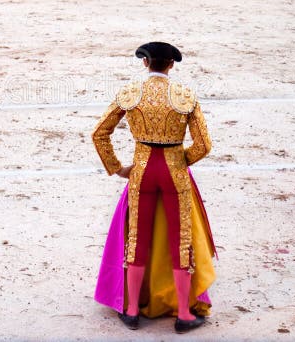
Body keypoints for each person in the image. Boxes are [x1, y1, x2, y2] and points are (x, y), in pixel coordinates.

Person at [92, 42, 216, 333]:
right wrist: (179, 160)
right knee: (180, 239)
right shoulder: (185, 95)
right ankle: (184, 314)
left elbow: (99, 133)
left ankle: (133, 310)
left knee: (137, 238)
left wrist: (117, 168)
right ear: (171, 65)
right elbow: (204, 145)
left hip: (143, 170)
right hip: (173, 172)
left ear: (145, 63)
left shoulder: (131, 93)